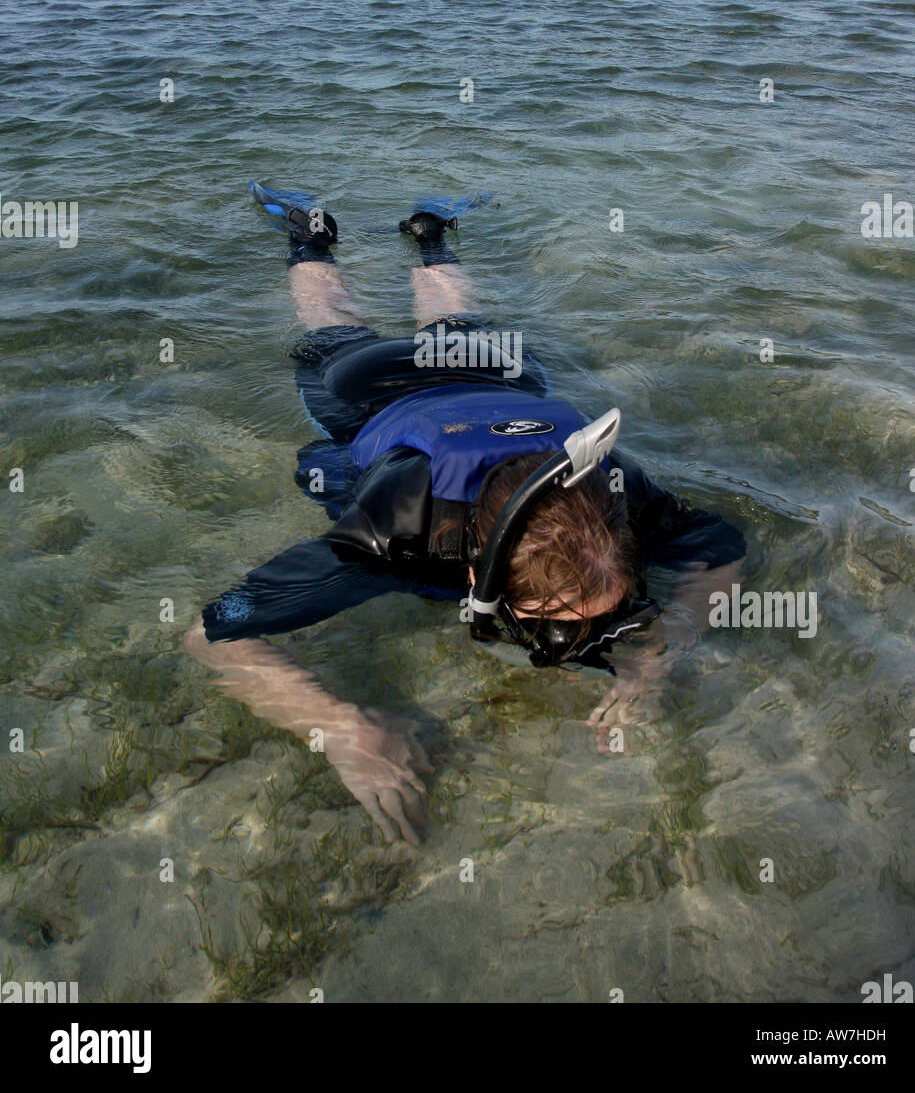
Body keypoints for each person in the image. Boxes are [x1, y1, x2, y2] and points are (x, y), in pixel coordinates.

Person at [185, 186, 746, 843]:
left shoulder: (617, 486)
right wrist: (342, 728)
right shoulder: (398, 532)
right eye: (558, 630)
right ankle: (312, 236)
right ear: (481, 578)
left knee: (457, 324)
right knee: (333, 327)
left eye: (613, 615)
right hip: (370, 387)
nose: (592, 644)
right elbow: (210, 633)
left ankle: (431, 233)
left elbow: (723, 546)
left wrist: (661, 650)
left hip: (498, 380)